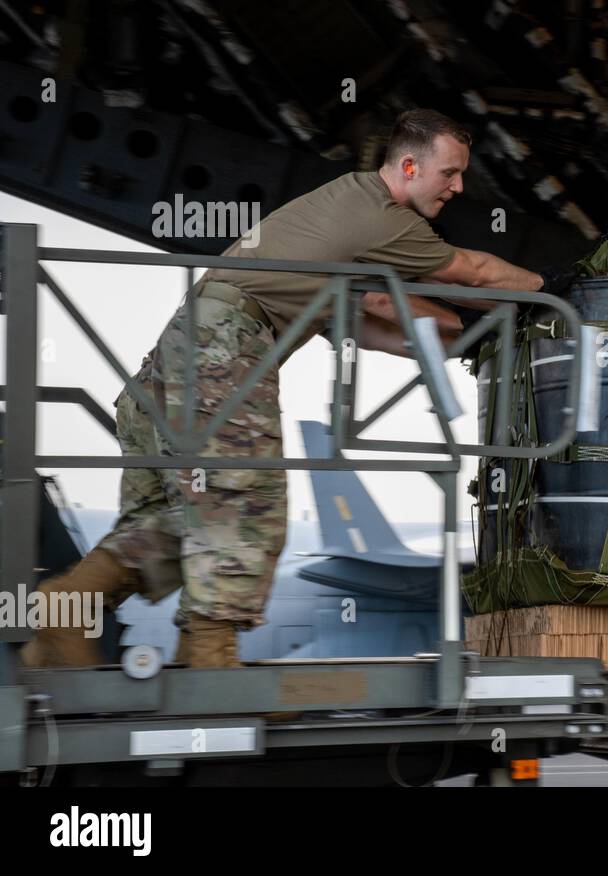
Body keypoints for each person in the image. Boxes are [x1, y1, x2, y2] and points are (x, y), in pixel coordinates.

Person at [21, 108, 576, 668]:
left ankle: (71, 607)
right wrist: (551, 289)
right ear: (409, 165)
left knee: (176, 517)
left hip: (175, 364)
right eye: (449, 173)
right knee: (250, 500)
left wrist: (462, 337)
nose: (457, 188)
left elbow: (376, 314)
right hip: (222, 352)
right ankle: (211, 660)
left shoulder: (341, 219)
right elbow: (471, 272)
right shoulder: (382, 217)